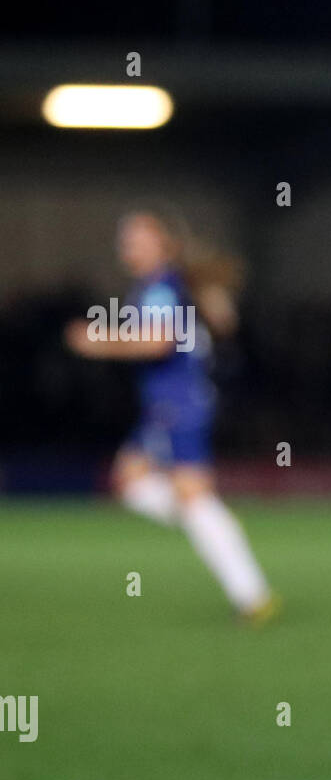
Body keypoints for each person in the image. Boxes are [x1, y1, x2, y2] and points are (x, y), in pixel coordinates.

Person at [65, 207, 278, 624]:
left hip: (177, 406)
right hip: (170, 405)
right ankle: (210, 522)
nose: (127, 246)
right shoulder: (165, 285)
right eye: (125, 238)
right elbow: (221, 323)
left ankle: (251, 592)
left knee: (178, 495)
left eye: (137, 238)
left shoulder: (161, 288)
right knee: (130, 482)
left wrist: (98, 341)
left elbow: (158, 343)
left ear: (160, 243)